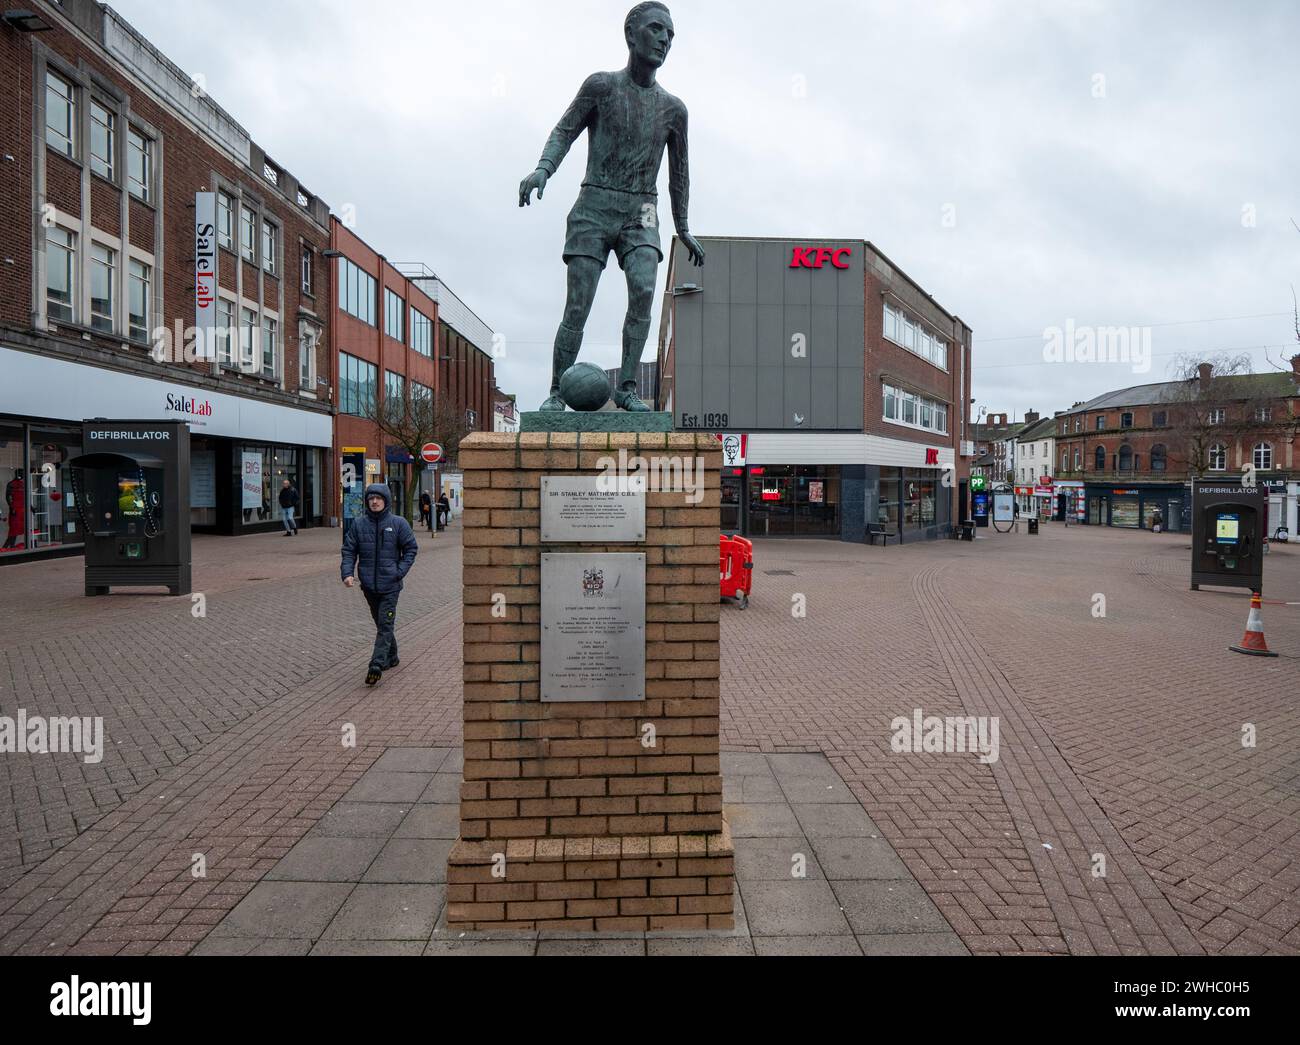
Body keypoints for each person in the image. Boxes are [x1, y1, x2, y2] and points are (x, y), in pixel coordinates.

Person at [518, 1, 704, 412]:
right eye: (656, 29)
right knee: (578, 302)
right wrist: (542, 170)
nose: (664, 40)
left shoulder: (674, 110)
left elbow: (680, 174)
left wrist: (684, 226)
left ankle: (627, 388)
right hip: (594, 204)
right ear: (630, 34)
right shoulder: (601, 86)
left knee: (643, 289)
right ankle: (555, 392)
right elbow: (564, 131)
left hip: (643, 210)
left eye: (670, 35)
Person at [341, 484, 418, 686]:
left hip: (391, 586)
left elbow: (411, 549)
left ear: (386, 501)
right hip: (368, 585)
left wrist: (399, 572)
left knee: (385, 624)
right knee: (381, 622)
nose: (374, 502)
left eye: (378, 498)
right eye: (371, 499)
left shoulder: (398, 523)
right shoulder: (358, 525)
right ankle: (392, 656)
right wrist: (347, 573)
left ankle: (376, 664)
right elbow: (349, 551)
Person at [3, 469, 25, 550]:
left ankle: (10, 547)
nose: (22, 475)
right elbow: (8, 497)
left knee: (16, 531)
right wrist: (12, 508)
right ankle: (5, 548)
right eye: (21, 474)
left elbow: (26, 498)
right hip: (15, 510)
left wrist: (31, 507)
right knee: (13, 530)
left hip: (22, 510)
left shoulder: (22, 484)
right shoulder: (11, 484)